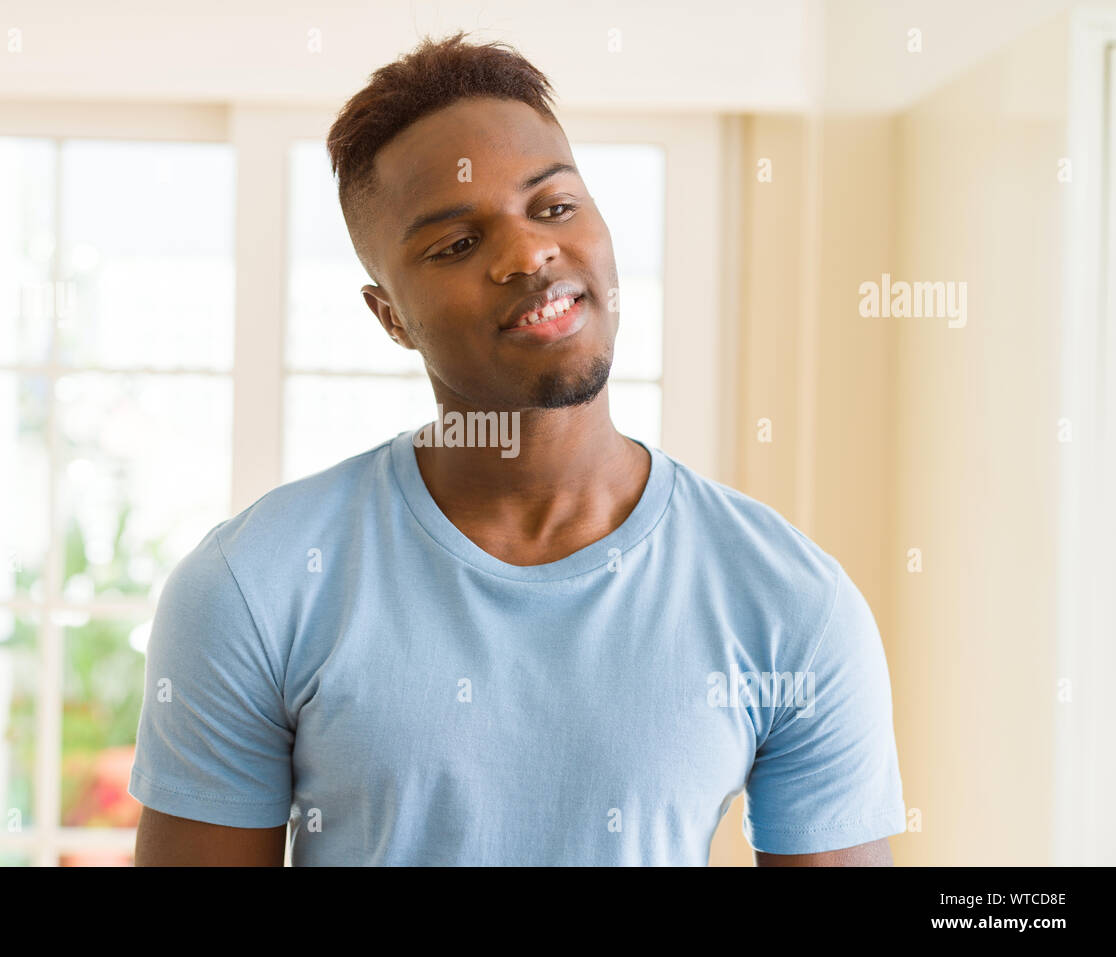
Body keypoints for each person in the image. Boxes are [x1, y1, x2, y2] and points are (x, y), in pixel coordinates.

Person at [130, 30, 905, 866]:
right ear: (390, 315)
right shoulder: (254, 586)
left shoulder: (791, 602)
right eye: (457, 244)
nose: (530, 252)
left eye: (555, 206)